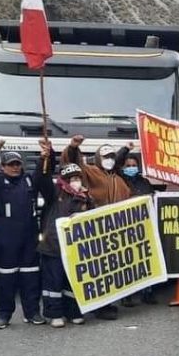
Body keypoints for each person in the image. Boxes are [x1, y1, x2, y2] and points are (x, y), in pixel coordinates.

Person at [60, 136, 134, 318]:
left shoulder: (119, 179)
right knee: (96, 269)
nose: (109, 159)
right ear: (98, 158)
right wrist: (73, 147)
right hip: (95, 230)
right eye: (105, 156)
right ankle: (98, 307)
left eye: (111, 156)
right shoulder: (90, 172)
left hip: (116, 230)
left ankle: (108, 303)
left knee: (110, 270)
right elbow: (73, 165)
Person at [0, 140, 49, 328]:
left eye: (17, 164)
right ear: (3, 167)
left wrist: (45, 157)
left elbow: (43, 173)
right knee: (6, 276)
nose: (15, 168)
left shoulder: (28, 180)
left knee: (31, 275)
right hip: (5, 235)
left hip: (29, 235)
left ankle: (32, 312)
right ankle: (3, 314)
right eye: (11, 164)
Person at [39, 152, 93, 327]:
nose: (75, 181)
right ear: (63, 180)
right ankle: (54, 313)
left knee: (73, 281)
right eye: (71, 178)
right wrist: (45, 159)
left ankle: (73, 312)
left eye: (78, 177)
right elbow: (42, 178)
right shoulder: (54, 194)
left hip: (75, 249)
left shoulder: (85, 197)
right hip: (53, 246)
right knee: (53, 281)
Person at [121, 153, 160, 304]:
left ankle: (147, 292)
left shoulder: (144, 182)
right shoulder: (120, 181)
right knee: (128, 260)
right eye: (128, 166)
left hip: (144, 225)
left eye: (133, 165)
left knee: (145, 259)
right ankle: (127, 295)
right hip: (126, 225)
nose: (131, 168)